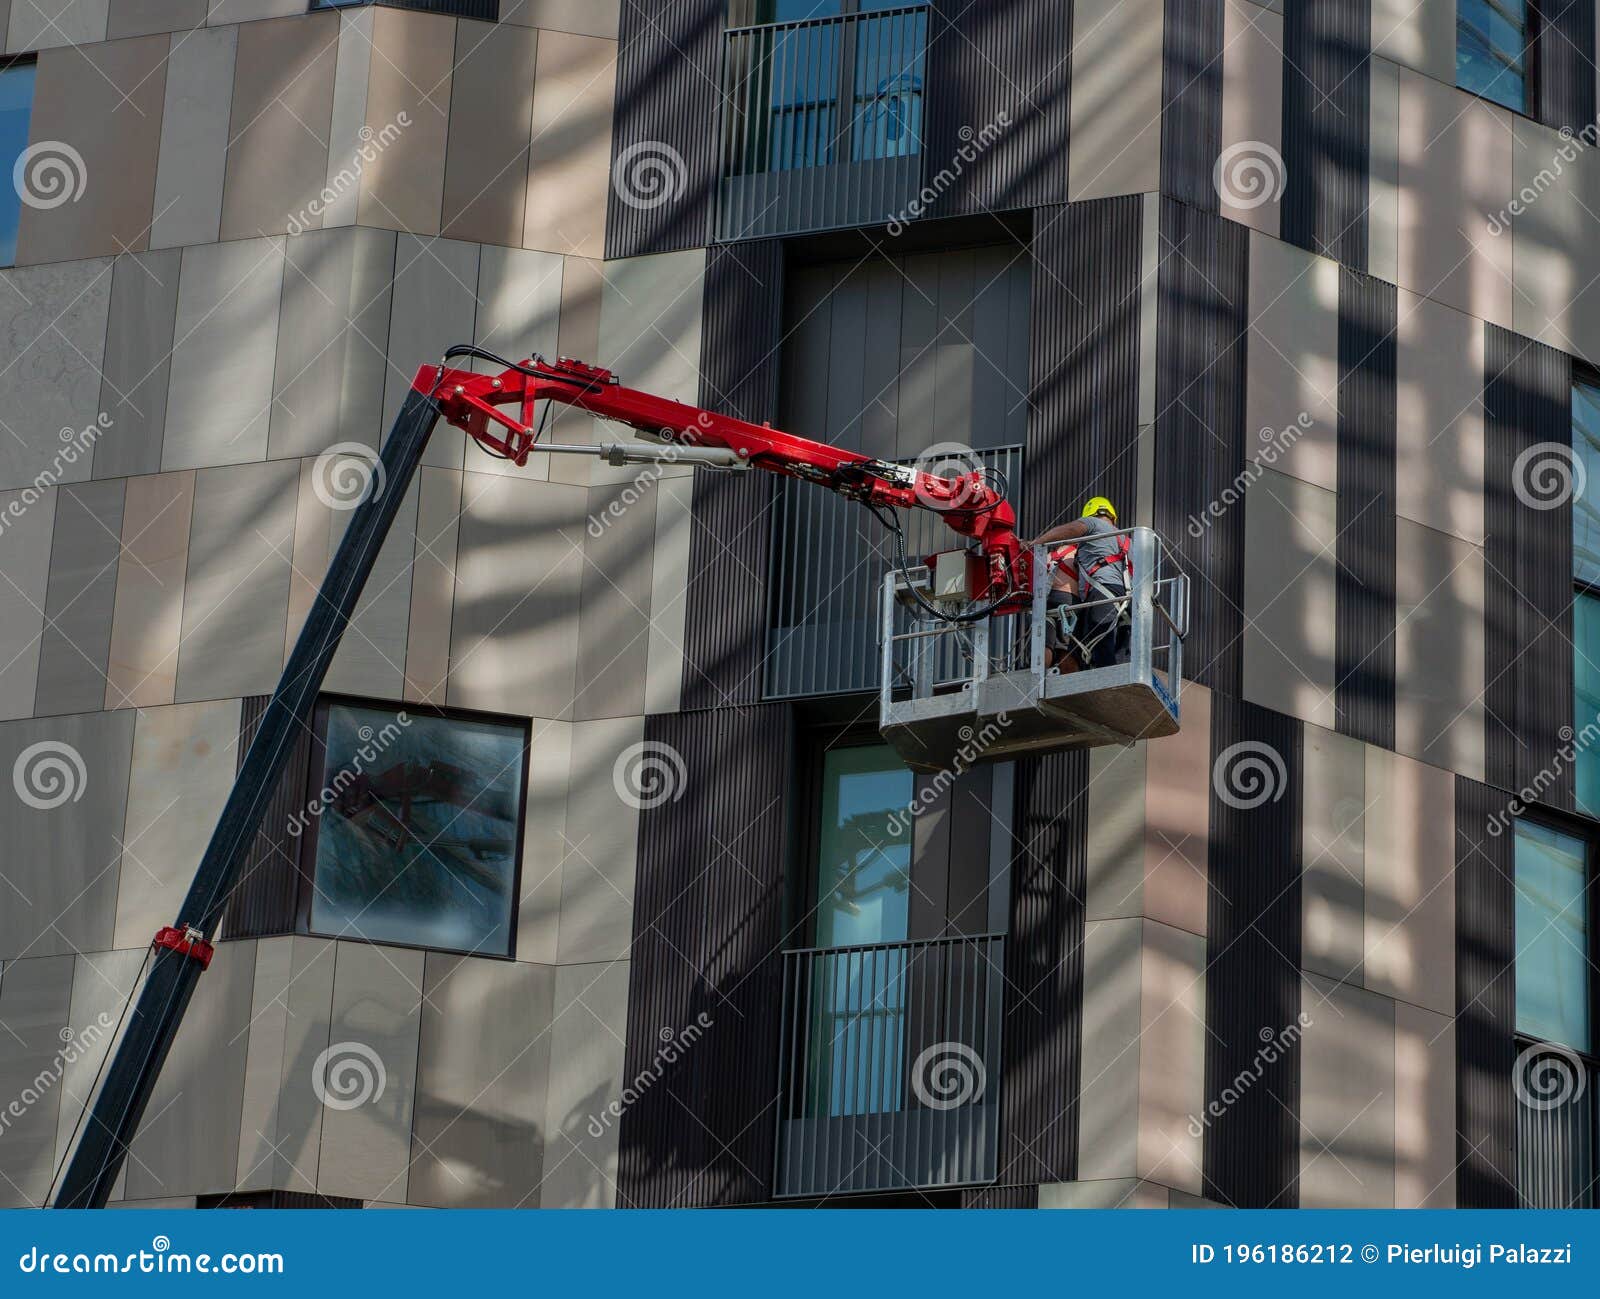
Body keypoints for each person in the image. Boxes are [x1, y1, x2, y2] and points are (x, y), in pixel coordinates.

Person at [1027, 496, 1131, 669]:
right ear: (1112, 516)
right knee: (1106, 644)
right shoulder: (1127, 541)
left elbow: (1070, 529)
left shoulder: (1091, 525)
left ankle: (1037, 676)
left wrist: (1037, 543)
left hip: (1095, 592)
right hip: (1125, 597)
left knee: (1094, 643)